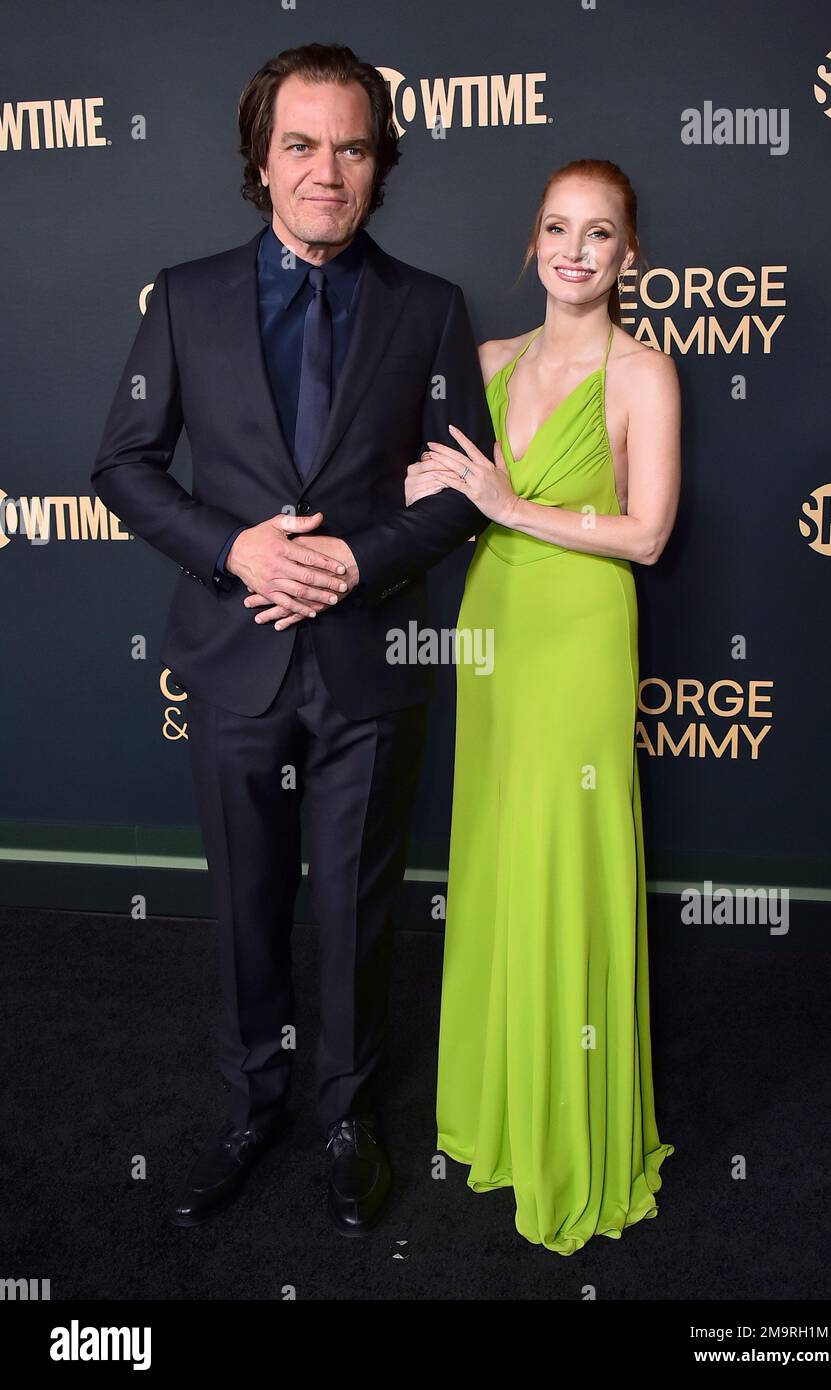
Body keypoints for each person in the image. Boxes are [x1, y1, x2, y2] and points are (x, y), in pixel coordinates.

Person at [91, 42, 494, 1235]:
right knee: (246, 905)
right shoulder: (187, 296)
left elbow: (466, 492)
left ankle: (347, 1114)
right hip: (236, 657)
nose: (328, 170)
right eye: (302, 145)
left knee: (359, 910)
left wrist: (358, 561)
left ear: (381, 165)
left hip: (371, 663)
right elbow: (123, 464)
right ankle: (251, 1106)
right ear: (261, 162)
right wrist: (238, 548)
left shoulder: (431, 307)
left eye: (353, 148)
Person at [405, 160, 680, 1255]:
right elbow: (454, 499)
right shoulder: (486, 360)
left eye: (598, 233)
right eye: (558, 229)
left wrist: (508, 503)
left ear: (628, 254)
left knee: (564, 854)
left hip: (578, 633)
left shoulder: (644, 373)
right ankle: (498, 1109)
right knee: (496, 847)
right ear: (533, 241)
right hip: (495, 627)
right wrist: (429, 493)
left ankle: (570, 1130)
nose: (575, 251)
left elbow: (647, 534)